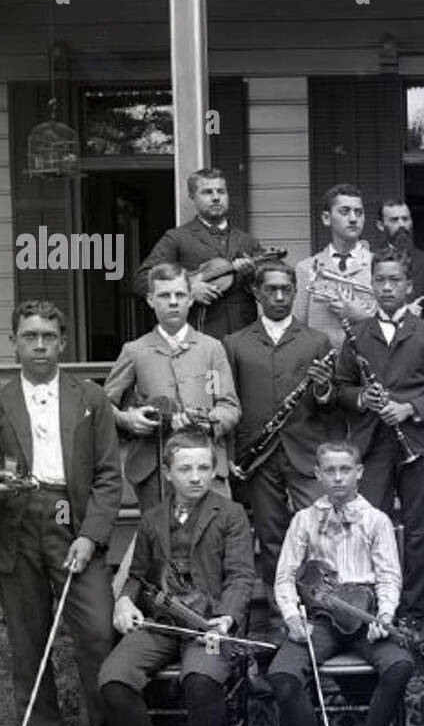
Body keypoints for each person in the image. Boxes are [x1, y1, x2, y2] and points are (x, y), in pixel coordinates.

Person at [0, 301, 122, 726]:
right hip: (16, 523)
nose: (40, 345)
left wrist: (90, 536)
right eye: (30, 336)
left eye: (49, 336)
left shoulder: (90, 398)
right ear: (15, 343)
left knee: (96, 635)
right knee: (29, 644)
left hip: (74, 522)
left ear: (63, 342)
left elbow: (110, 478)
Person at [99, 429, 255, 726]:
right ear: (167, 472)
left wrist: (226, 618)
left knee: (201, 681)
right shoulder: (152, 519)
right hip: (163, 620)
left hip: (207, 623)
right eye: (185, 468)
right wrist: (124, 602)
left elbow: (240, 576)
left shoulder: (231, 514)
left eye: (204, 467)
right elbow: (135, 576)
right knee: (113, 681)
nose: (196, 476)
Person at [271, 441, 412, 726]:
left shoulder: (377, 520)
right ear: (317, 474)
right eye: (329, 471)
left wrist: (385, 614)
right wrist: (292, 618)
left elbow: (388, 576)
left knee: (399, 665)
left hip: (363, 614)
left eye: (345, 470)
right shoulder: (303, 520)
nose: (337, 478)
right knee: (282, 675)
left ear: (359, 472)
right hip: (320, 618)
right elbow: (285, 576)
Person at [334, 249, 424, 633]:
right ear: (372, 283)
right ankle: (373, 606)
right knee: (370, 527)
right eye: (380, 280)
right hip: (372, 445)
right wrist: (361, 399)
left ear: (408, 285)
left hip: (414, 441)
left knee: (417, 532)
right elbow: (341, 387)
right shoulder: (357, 334)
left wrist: (409, 409)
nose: (386, 287)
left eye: (394, 280)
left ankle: (413, 613)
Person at [222, 258, 337, 603]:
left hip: (304, 450)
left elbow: (329, 404)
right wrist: (230, 455)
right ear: (256, 293)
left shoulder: (318, 341)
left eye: (286, 289)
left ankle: (322, 605)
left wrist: (322, 389)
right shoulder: (234, 343)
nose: (279, 296)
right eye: (270, 289)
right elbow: (229, 401)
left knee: (319, 531)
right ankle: (280, 612)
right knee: (272, 537)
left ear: (295, 292)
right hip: (258, 456)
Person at [104, 263, 241, 512]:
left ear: (190, 299)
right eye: (165, 296)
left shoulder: (211, 349)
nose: (173, 302)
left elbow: (226, 404)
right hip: (155, 471)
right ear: (150, 300)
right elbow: (105, 405)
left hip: (205, 465)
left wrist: (210, 422)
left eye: (180, 295)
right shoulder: (135, 351)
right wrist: (126, 419)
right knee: (161, 543)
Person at [133, 169, 263, 340]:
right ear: (192, 197)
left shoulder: (247, 241)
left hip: (245, 336)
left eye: (221, 192)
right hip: (200, 336)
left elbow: (267, 288)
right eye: (207, 192)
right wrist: (188, 291)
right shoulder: (177, 237)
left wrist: (251, 277)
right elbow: (142, 280)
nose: (216, 197)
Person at [293, 183, 377, 349]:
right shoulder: (306, 268)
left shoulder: (379, 266)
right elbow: (297, 326)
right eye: (344, 212)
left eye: (359, 212)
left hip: (367, 365)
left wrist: (361, 316)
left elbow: (393, 324)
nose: (353, 219)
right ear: (326, 218)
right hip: (321, 366)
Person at [373, 198, 424, 314]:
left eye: (405, 219)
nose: (402, 225)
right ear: (381, 225)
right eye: (394, 220)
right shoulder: (372, 260)